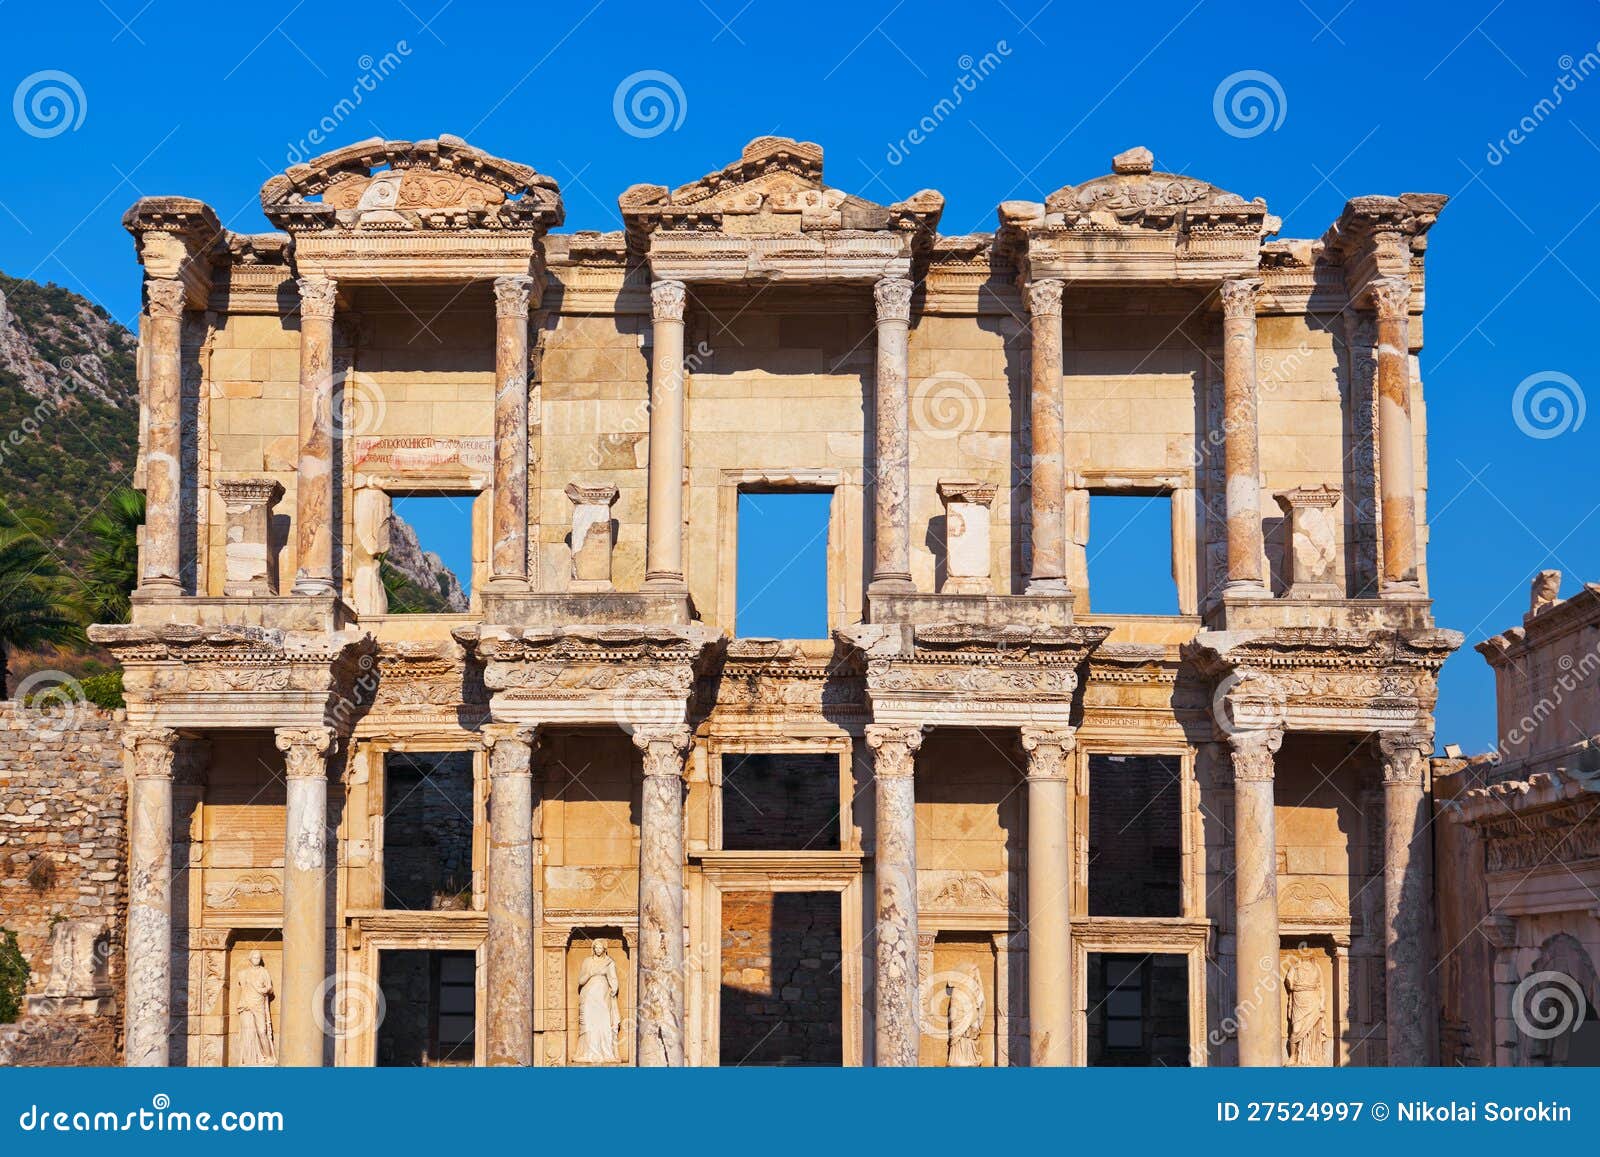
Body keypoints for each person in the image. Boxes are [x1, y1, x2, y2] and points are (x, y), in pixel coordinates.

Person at [574, 939, 621, 1063]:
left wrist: (614, 988)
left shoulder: (609, 962)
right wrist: (590, 973)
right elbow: (580, 981)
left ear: (604, 949)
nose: (598, 950)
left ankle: (606, 1052)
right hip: (589, 995)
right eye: (596, 948)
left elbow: (613, 978)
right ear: (593, 949)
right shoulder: (587, 961)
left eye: (601, 948)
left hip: (602, 995)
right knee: (589, 1022)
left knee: (603, 1021)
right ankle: (589, 1052)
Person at [234, 950, 276, 1066]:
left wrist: (264, 990)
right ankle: (249, 1059)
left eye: (258, 958)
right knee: (248, 1032)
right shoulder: (243, 973)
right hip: (246, 1005)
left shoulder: (264, 972)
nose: (256, 960)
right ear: (250, 959)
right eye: (254, 957)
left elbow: (270, 989)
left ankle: (268, 1057)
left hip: (259, 1005)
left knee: (262, 1031)